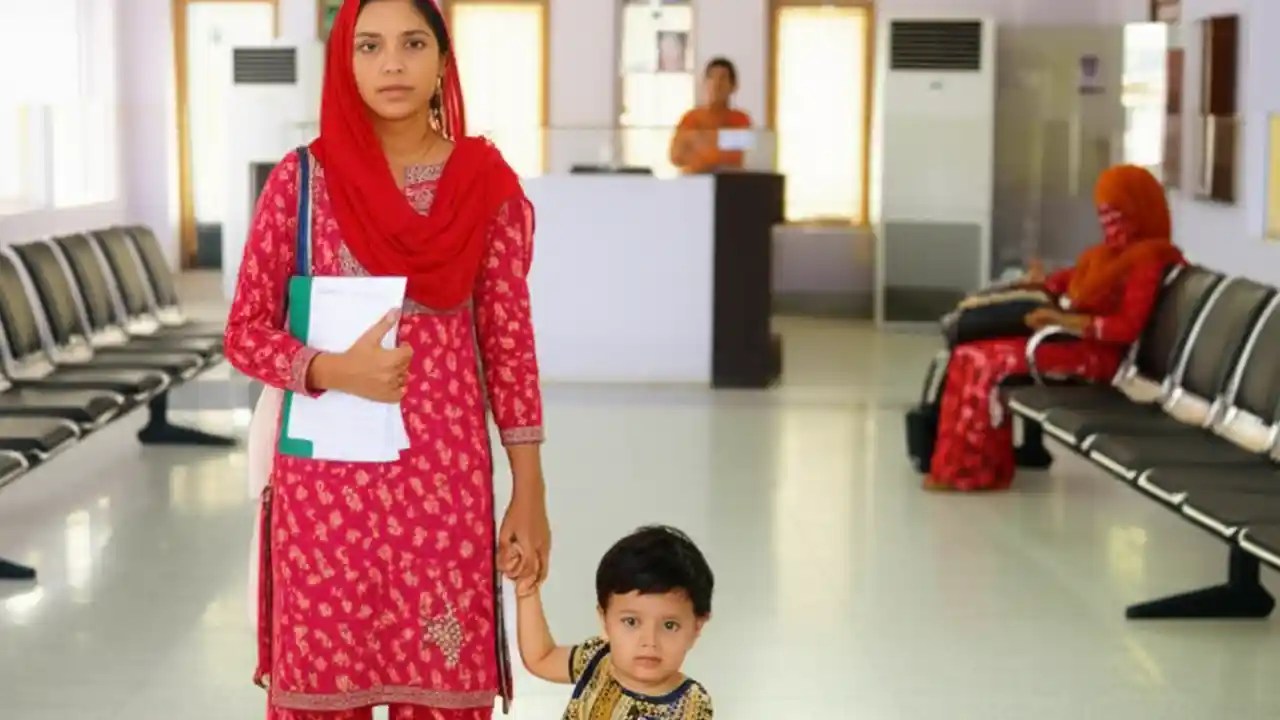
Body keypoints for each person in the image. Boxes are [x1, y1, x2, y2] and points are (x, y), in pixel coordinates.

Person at [223, 1, 551, 717]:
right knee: (321, 696)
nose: (392, 63)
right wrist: (333, 370)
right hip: (326, 497)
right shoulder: (302, 182)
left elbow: (509, 346)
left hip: (444, 488)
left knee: (441, 691)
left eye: (412, 44)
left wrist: (530, 489)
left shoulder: (483, 184)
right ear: (346, 62)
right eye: (369, 47)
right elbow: (244, 331)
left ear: (442, 61)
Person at [926, 165, 1185, 492]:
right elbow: (1065, 283)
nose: (1110, 223)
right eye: (1104, 213)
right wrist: (1040, 282)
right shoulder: (1104, 257)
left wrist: (1065, 322)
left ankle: (972, 471)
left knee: (986, 362)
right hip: (1070, 343)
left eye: (1118, 214)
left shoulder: (1148, 261)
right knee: (967, 353)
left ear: (1140, 210)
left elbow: (1126, 329)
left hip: (1099, 357)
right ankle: (964, 464)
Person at [509, 526, 715, 719]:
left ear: (697, 627)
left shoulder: (690, 705)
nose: (650, 641)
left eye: (669, 625)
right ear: (604, 620)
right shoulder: (597, 658)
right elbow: (542, 658)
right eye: (632, 622)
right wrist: (528, 592)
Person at [668, 58, 751, 174]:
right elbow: (676, 156)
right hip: (694, 183)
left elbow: (735, 157)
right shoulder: (691, 117)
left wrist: (698, 142)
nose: (717, 84)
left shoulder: (741, 119)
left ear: (733, 86)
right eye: (711, 77)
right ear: (705, 83)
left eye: (722, 78)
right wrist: (713, 145)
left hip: (729, 183)